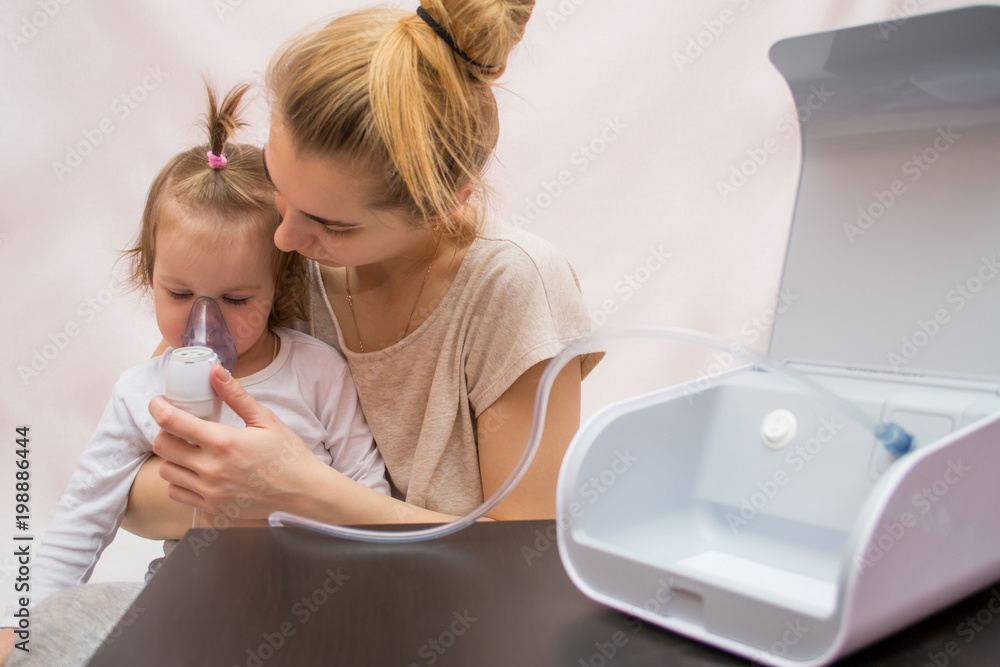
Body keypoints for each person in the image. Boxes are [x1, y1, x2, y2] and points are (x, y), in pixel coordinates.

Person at [1, 1, 601, 664]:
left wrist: (301, 490)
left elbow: (533, 562)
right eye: (282, 190)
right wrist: (241, 495)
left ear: (444, 204)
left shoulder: (512, 288)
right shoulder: (270, 250)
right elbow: (137, 489)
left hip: (434, 629)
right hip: (246, 611)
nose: (285, 239)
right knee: (49, 637)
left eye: (331, 225)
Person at [0, 83, 388, 666]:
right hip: (187, 603)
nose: (205, 322)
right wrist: (20, 627)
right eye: (179, 293)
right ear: (147, 275)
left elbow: (369, 496)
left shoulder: (316, 372)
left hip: (312, 603)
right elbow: (81, 515)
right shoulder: (140, 392)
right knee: (62, 629)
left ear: (279, 288)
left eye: (235, 298)